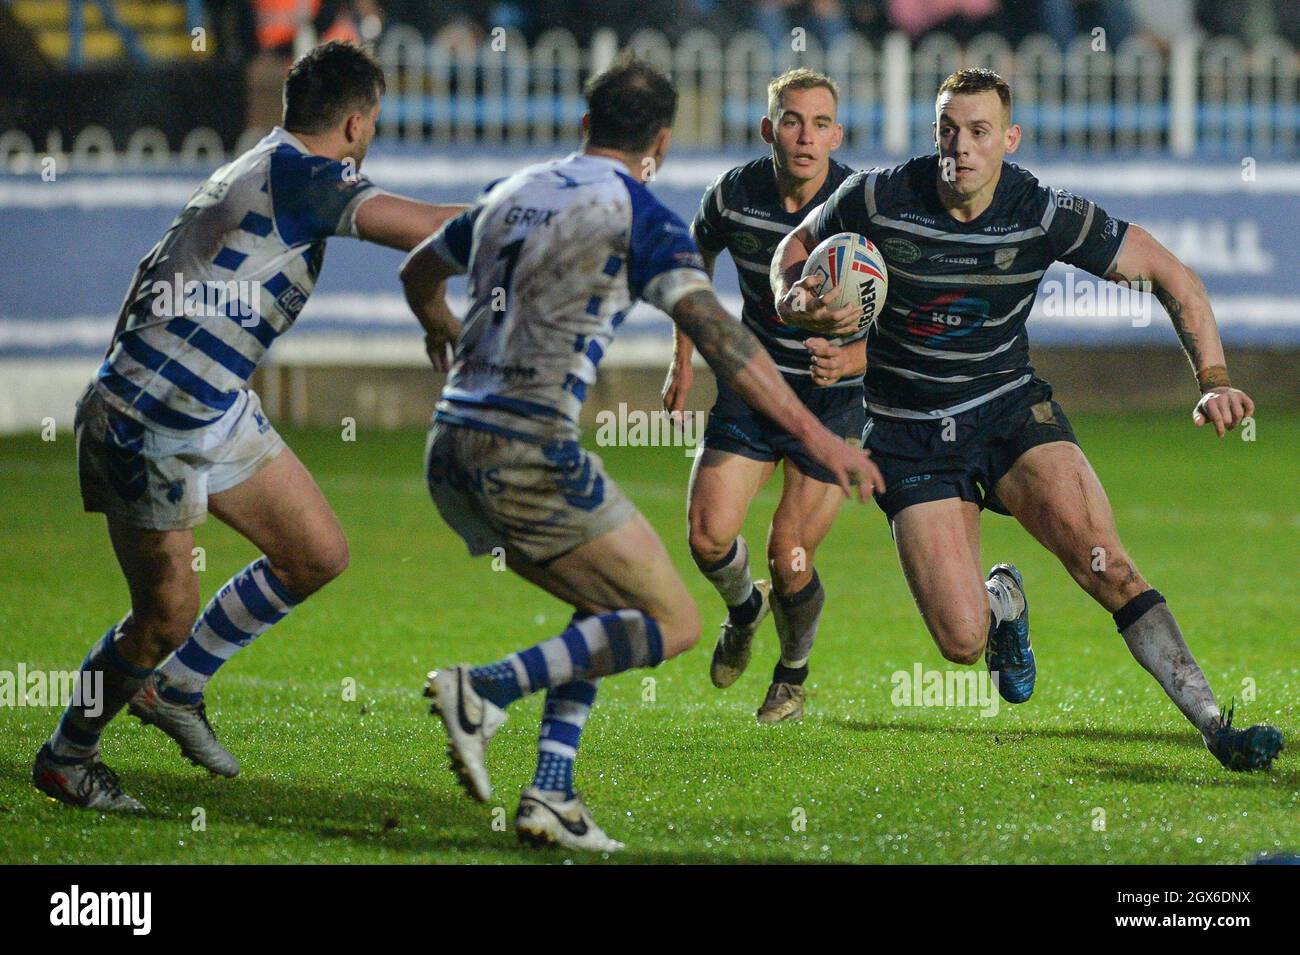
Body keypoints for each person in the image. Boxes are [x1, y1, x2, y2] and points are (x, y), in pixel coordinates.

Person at [400, 54, 884, 851]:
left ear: (584, 124)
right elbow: (725, 340)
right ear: (659, 141)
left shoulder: (513, 190)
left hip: (446, 448)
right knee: (671, 620)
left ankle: (552, 790)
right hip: (530, 451)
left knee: (608, 597)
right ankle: (483, 688)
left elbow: (419, 267)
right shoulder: (642, 214)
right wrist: (816, 433)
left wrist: (439, 324)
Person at [771, 67, 1283, 772]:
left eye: (980, 132)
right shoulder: (880, 197)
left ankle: (1216, 727)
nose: (962, 147)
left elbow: (1174, 277)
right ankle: (1003, 605)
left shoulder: (1041, 211)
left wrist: (1214, 380)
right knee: (960, 640)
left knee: (1108, 565)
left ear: (1009, 139)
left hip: (1009, 411)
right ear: (934, 134)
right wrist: (794, 299)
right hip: (908, 431)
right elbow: (794, 249)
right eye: (949, 131)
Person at [33, 41, 467, 810]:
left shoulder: (260, 165)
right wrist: (539, 214)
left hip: (211, 402)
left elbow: (152, 266)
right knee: (164, 614)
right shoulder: (303, 174)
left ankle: (175, 687)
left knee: (315, 552)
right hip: (152, 415)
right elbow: (428, 228)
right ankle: (68, 755)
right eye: (372, 123)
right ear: (357, 124)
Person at [663, 68, 865, 723]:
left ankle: (791, 676)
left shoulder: (861, 205)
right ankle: (744, 609)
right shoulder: (732, 195)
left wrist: (853, 357)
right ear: (766, 129)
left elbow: (906, 318)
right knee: (706, 536)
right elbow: (690, 264)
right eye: (792, 121)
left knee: (789, 556)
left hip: (833, 402)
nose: (805, 137)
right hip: (753, 387)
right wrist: (682, 358)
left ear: (837, 135)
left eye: (820, 124)